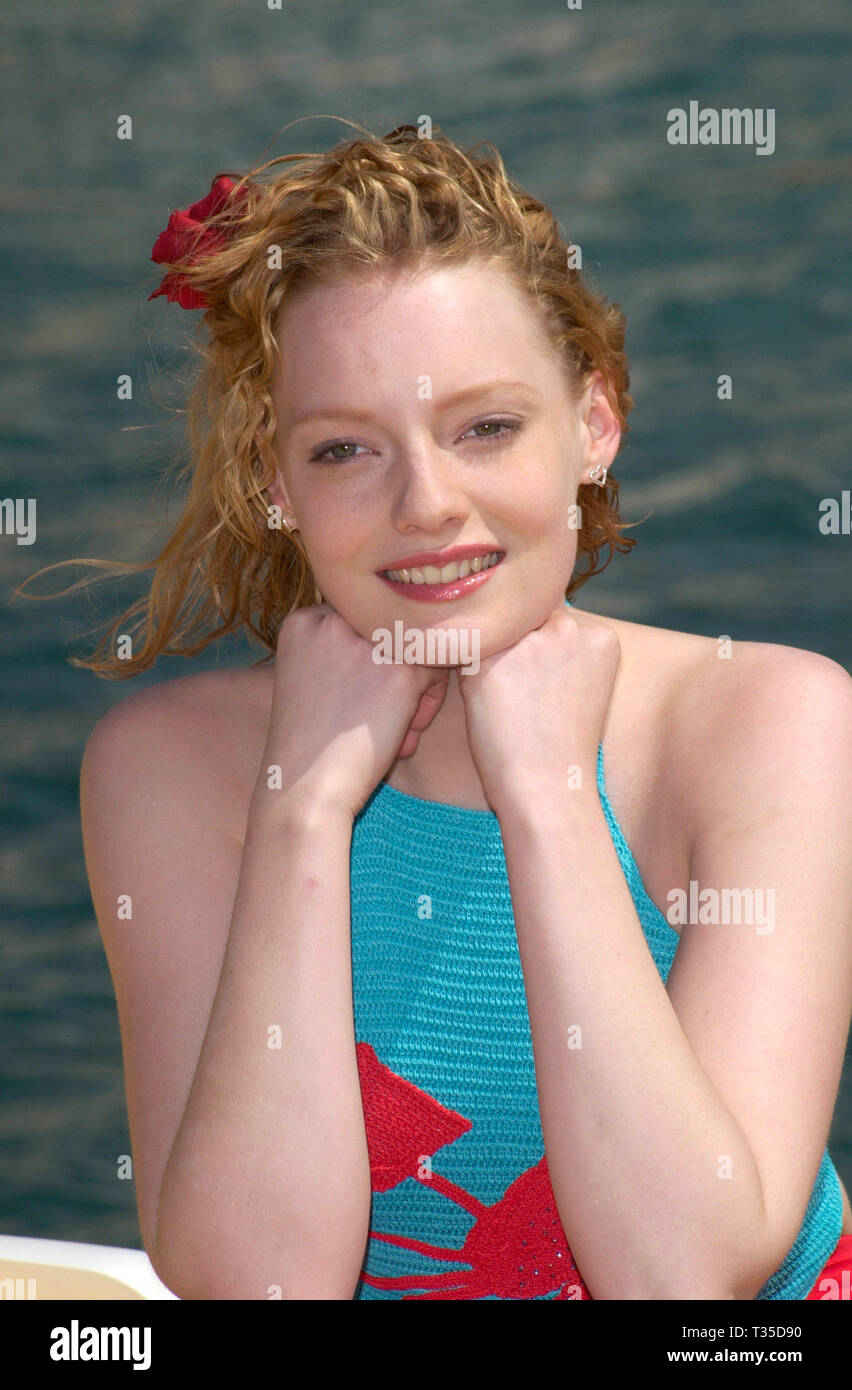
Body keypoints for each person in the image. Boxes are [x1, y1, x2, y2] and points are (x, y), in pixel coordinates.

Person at [33, 121, 852, 1299]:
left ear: (594, 425)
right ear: (274, 480)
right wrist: (303, 805)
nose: (426, 502)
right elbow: (259, 1285)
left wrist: (552, 797)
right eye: (345, 450)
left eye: (486, 428)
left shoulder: (767, 721)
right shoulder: (167, 767)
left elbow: (682, 1280)